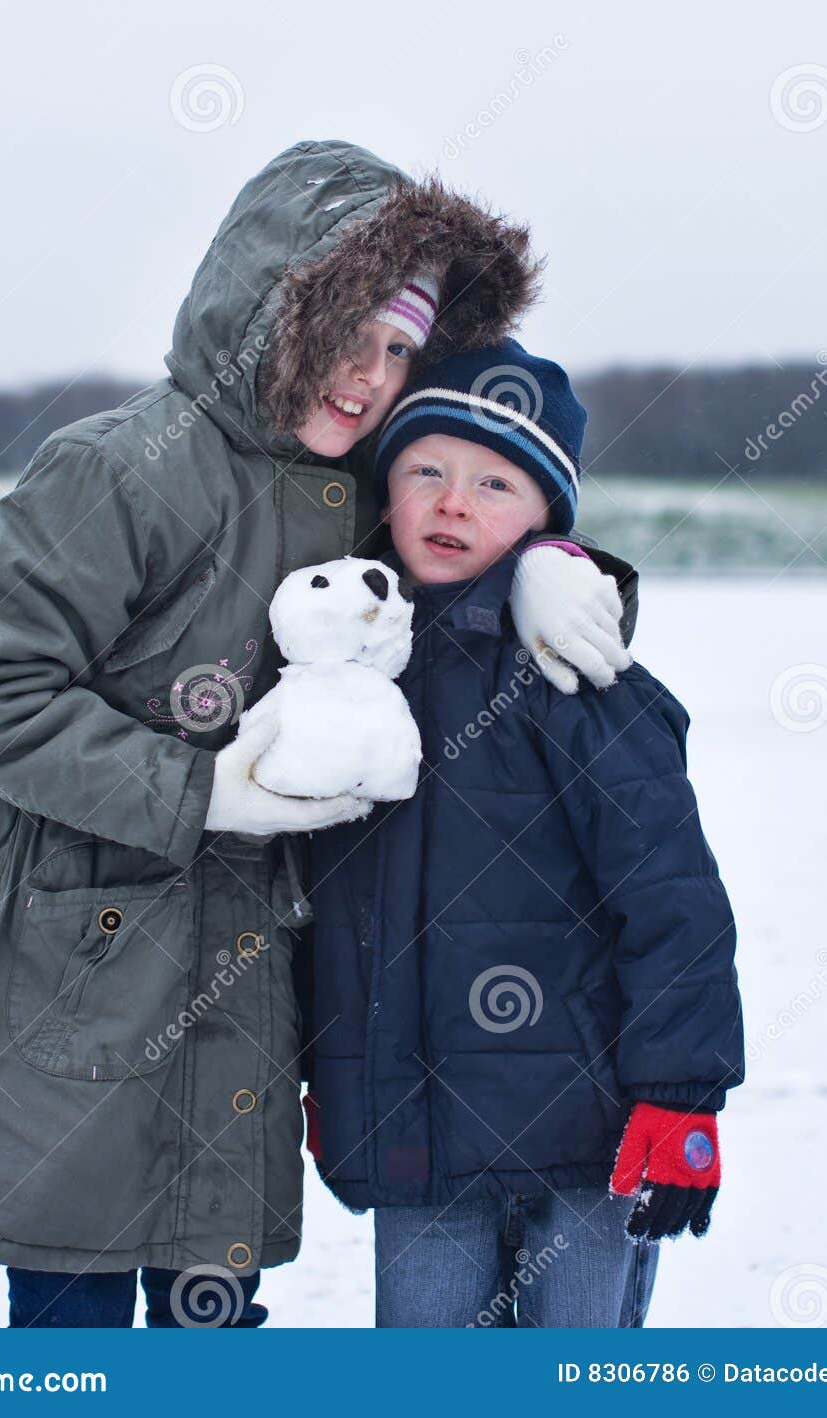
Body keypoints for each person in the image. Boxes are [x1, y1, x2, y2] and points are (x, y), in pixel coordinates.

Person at [0, 140, 636, 1329]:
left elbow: (472, 554)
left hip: (242, 990)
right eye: (346, 330)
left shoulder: (363, 498)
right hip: (77, 975)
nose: (366, 376)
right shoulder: (118, 470)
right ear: (269, 310)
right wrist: (198, 787)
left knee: (210, 1324)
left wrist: (550, 568)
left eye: (398, 350)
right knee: (71, 1320)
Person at [303, 338, 745, 1329]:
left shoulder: (580, 687)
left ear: (549, 520)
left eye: (493, 483)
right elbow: (329, 909)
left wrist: (681, 1095)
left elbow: (672, 899)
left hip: (588, 1144)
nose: (451, 502)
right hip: (415, 1150)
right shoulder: (344, 682)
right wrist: (334, 1069)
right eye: (426, 471)